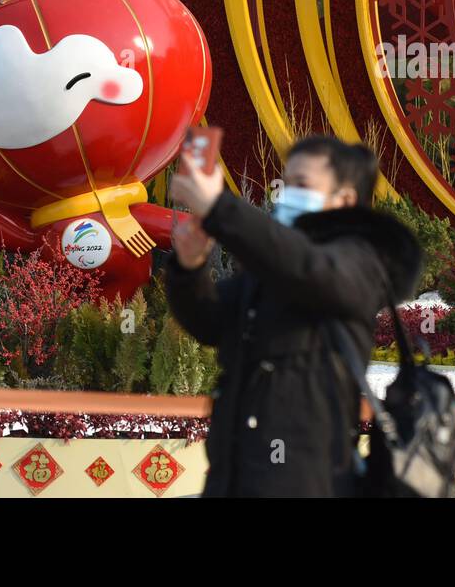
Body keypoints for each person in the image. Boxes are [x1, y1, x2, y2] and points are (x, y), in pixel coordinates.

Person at [167, 135, 422, 497]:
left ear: (345, 199)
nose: (287, 194)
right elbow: (210, 322)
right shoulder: (276, 261)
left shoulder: (361, 259)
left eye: (302, 185)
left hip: (306, 477)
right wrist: (189, 268)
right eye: (286, 183)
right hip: (234, 475)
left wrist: (220, 208)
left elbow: (312, 271)